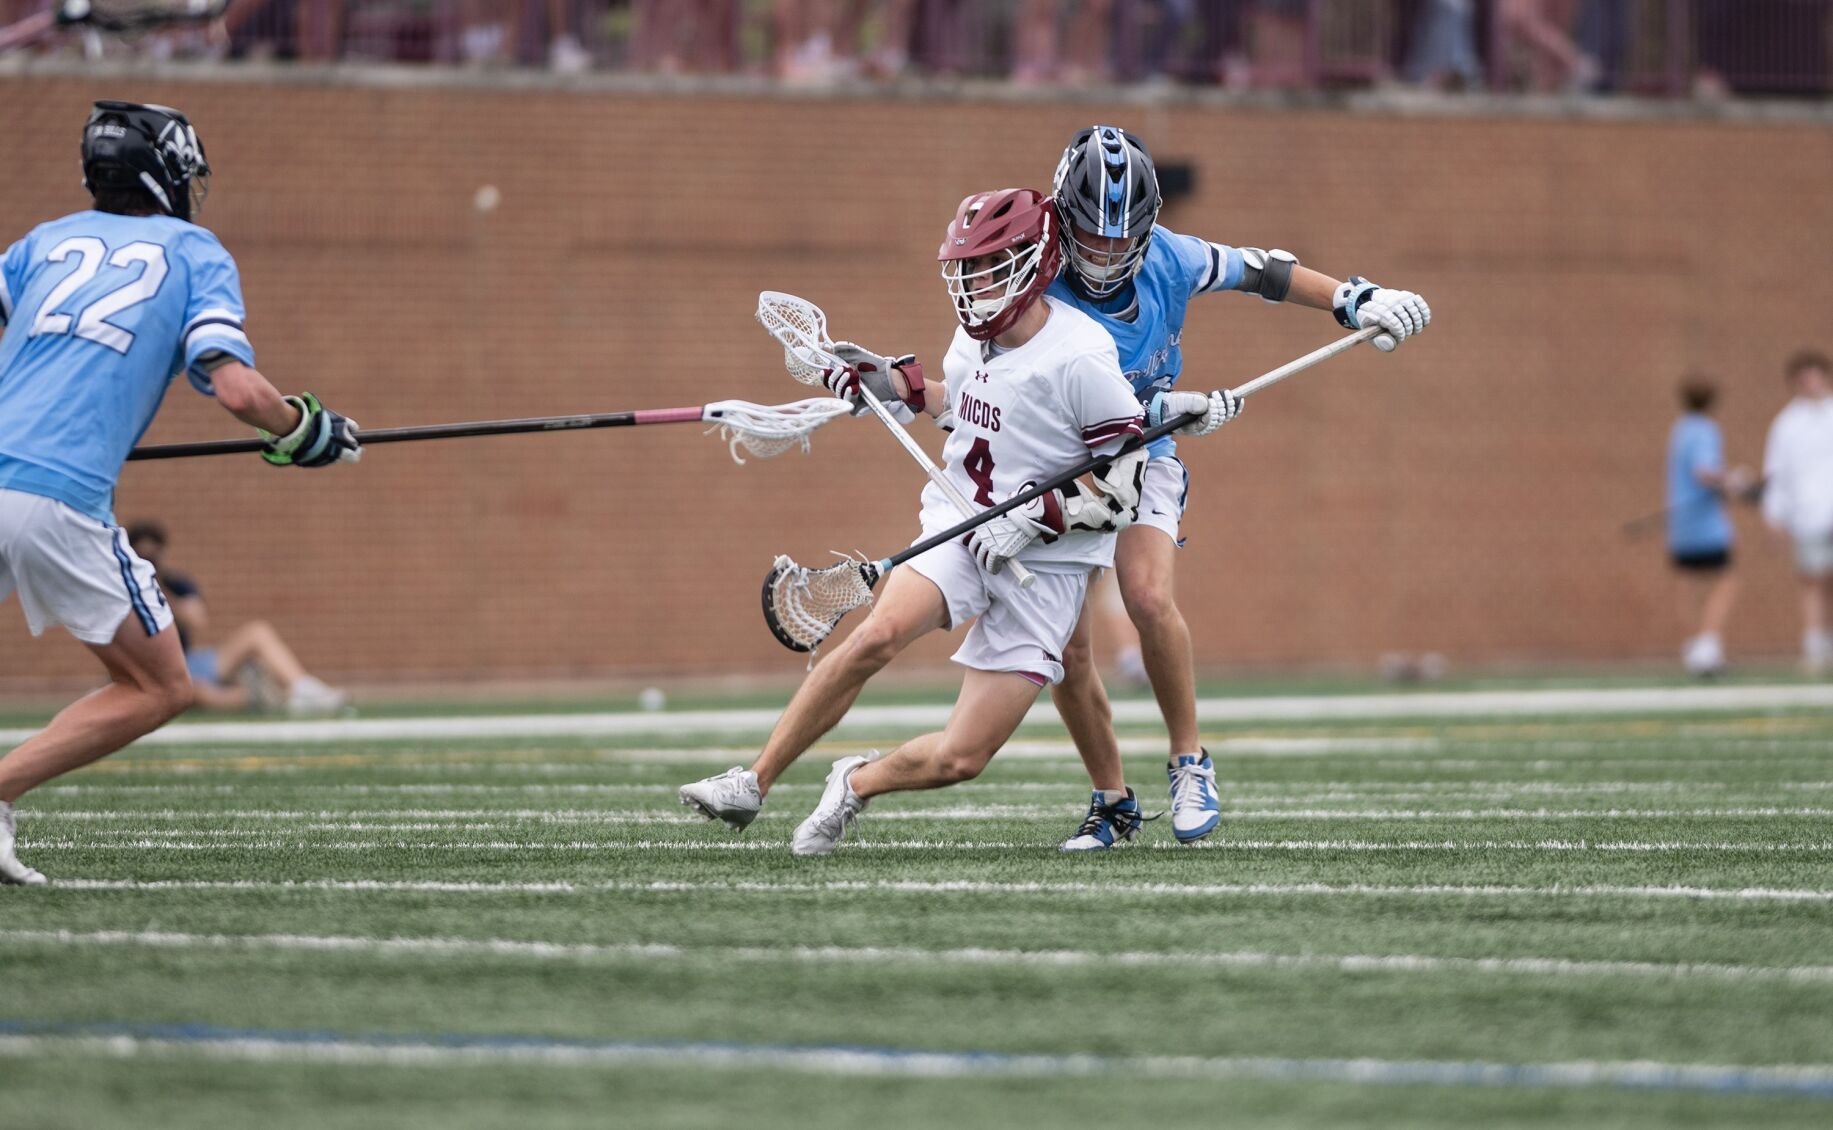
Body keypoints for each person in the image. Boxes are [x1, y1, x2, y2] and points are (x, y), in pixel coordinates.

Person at [679, 187, 1168, 854]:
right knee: (877, 633)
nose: (973, 285)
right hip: (959, 523)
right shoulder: (972, 342)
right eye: (966, 269)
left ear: (1036, 262)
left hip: (1046, 568)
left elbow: (1122, 491)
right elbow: (965, 409)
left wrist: (1035, 520)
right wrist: (892, 384)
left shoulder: (1079, 356)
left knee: (961, 759)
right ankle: (752, 782)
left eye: (990, 266)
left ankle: (855, 782)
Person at [0, 101, 360, 885]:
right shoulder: (193, 249)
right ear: (166, 174)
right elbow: (236, 389)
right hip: (53, 496)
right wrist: (303, 428)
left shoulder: (39, 244)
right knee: (160, 684)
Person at [1044, 125, 1431, 849]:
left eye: (1118, 237)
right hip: (1056, 458)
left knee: (1149, 596)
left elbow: (1264, 271)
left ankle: (1189, 759)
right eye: (1088, 238)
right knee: (1062, 651)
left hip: (1145, 454)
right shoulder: (1032, 272)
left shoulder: (1169, 257)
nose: (1102, 252)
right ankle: (1110, 800)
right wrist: (1158, 408)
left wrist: (1354, 298)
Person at [126, 522, 349, 715]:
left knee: (257, 632)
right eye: (143, 555)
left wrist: (158, 587)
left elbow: (196, 620)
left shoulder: (176, 584)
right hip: (152, 668)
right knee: (195, 692)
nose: (150, 560)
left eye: (154, 555)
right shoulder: (123, 586)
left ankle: (303, 689)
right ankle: (265, 697)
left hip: (188, 661)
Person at [1664, 373, 1754, 678]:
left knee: (1686, 581)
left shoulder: (1680, 430)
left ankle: (1693, 645)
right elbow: (1705, 472)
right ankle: (1707, 643)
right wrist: (1733, 481)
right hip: (1705, 523)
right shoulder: (1705, 430)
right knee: (1727, 580)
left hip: (1680, 524)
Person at [1761, 349, 1833, 677]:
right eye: (1802, 377)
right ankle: (1815, 647)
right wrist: (1774, 514)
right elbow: (1778, 472)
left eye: (1814, 374)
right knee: (1812, 579)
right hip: (1809, 513)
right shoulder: (1787, 423)